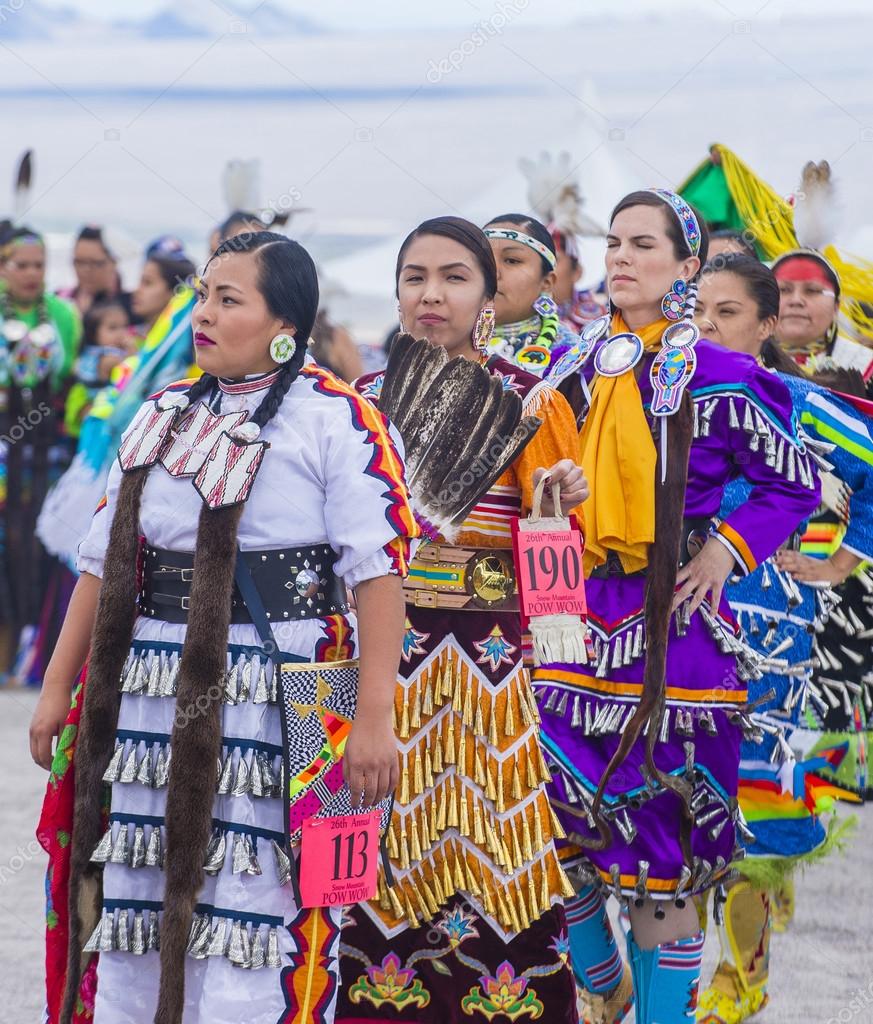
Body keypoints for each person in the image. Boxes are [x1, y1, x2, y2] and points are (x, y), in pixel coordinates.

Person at [30, 230, 417, 1024]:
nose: (201, 313)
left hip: (282, 700)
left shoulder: (336, 420)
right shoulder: (162, 414)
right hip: (147, 699)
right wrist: (55, 692)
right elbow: (101, 564)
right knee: (139, 896)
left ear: (285, 322)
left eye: (227, 299)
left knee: (256, 902)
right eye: (202, 293)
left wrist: (374, 718)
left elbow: (377, 575)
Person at [534, 190, 822, 1024]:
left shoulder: (723, 373)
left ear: (686, 268)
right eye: (613, 243)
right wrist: (554, 494)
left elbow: (791, 483)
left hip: (679, 631)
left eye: (643, 245)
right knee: (553, 815)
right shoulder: (576, 367)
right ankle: (602, 982)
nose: (621, 257)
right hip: (575, 616)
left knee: (665, 852)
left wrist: (723, 547)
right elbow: (533, 475)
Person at [337, 215, 588, 1024]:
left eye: (453, 277)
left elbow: (557, 603)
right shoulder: (355, 406)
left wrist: (549, 521)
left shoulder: (532, 401)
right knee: (349, 865)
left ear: (487, 296)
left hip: (489, 678)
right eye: (414, 277)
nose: (431, 294)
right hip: (365, 671)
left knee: (496, 868)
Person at [693, 254, 872, 1023]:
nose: (705, 330)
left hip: (769, 648)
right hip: (665, 637)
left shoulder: (806, 407)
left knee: (751, 819)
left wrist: (838, 562)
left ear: (767, 327)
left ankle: (738, 987)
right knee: (666, 818)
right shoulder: (658, 398)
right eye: (695, 314)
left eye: (726, 314)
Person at [772, 250, 873, 798]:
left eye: (812, 291)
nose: (796, 301)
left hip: (854, 555)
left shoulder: (865, 366)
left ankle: (836, 773)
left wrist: (842, 559)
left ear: (837, 303)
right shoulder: (750, 363)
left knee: (843, 663)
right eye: (785, 290)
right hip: (769, 551)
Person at [0, 226, 81, 676]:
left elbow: (70, 371)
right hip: (3, 451)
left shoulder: (62, 314)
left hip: (47, 448)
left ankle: (35, 654)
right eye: (21, 265)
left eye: (39, 266)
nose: (31, 274)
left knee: (39, 541)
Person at [481, 213, 581, 377]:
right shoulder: (443, 343)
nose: (493, 271)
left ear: (547, 282)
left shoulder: (572, 359)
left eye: (512, 260)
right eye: (484, 259)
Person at [63, 299, 138, 438]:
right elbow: (136, 368)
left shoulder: (88, 353)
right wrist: (133, 350)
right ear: (94, 333)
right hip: (100, 416)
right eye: (113, 328)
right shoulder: (109, 358)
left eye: (125, 326)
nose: (121, 333)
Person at [57, 226, 134, 319]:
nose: (86, 270)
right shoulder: (60, 300)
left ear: (113, 263)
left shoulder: (132, 306)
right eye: (80, 262)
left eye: (95, 263)